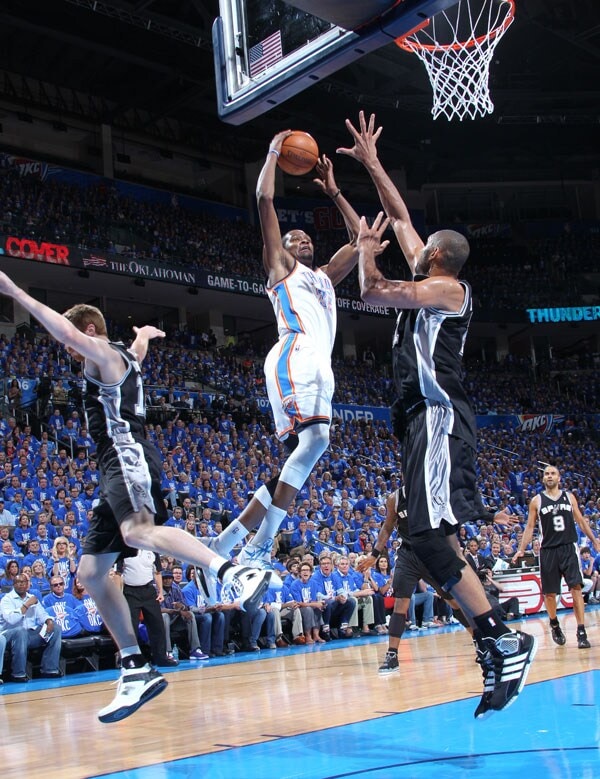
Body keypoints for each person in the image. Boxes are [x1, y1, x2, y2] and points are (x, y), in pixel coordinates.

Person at [0, 277, 270, 723]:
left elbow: (70, 335)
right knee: (90, 571)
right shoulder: (123, 357)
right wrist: (142, 336)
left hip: (125, 455)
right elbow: (136, 354)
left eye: (74, 344)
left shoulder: (101, 353)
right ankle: (133, 667)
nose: (70, 353)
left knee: (138, 531)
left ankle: (230, 571)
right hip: (115, 466)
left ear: (88, 332)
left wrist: (14, 292)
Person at [344, 110, 536, 718]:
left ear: (434, 256)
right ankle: (498, 634)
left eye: (418, 248)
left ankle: (501, 635)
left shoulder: (448, 291)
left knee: (426, 533)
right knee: (428, 537)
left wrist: (367, 255)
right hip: (417, 423)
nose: (412, 244)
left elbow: (373, 291)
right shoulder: (431, 273)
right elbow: (401, 218)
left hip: (437, 416)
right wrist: (373, 164)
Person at [208, 140, 360, 581]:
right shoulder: (281, 268)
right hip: (294, 354)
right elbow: (264, 198)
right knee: (316, 444)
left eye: (308, 237)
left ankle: (228, 540)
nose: (304, 240)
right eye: (296, 238)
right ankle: (259, 545)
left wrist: (334, 191)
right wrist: (273, 152)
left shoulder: (325, 277)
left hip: (319, 366)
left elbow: (360, 241)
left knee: (301, 458)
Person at [512, 464, 600, 649]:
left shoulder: (569, 497)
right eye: (546, 474)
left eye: (553, 473)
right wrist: (521, 549)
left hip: (569, 547)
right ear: (543, 479)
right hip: (548, 550)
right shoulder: (536, 501)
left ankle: (581, 631)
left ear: (559, 478)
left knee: (576, 588)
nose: (549, 476)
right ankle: (554, 623)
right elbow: (529, 527)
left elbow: (581, 520)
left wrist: (594, 539)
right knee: (550, 594)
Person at [0, 573, 63, 680]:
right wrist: (27, 605)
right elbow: (12, 619)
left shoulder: (32, 598)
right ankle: (18, 673)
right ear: (14, 585)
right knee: (21, 631)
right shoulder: (7, 599)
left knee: (55, 629)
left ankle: (49, 669)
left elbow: (42, 615)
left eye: (23, 582)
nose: (21, 585)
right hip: (9, 635)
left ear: (27, 584)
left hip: (31, 634)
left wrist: (48, 621)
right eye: (18, 582)